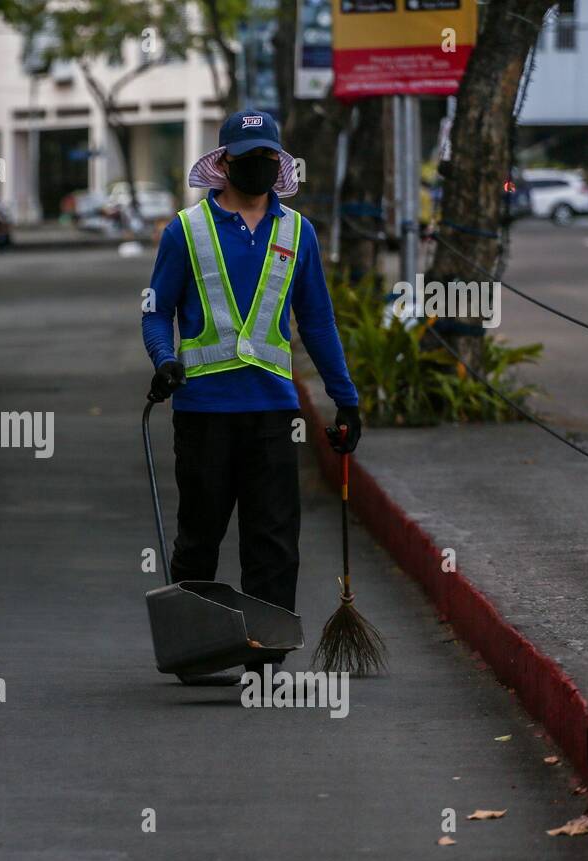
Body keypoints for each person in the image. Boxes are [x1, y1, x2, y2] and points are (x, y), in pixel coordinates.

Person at [141, 109, 361, 674]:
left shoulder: (298, 232)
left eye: (269, 156)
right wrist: (165, 361)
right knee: (200, 539)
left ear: (278, 162)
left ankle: (265, 658)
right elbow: (156, 311)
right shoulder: (185, 231)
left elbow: (317, 321)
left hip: (273, 412)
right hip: (203, 411)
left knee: (273, 542)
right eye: (249, 158)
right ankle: (195, 649)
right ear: (225, 163)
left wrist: (346, 397)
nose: (259, 166)